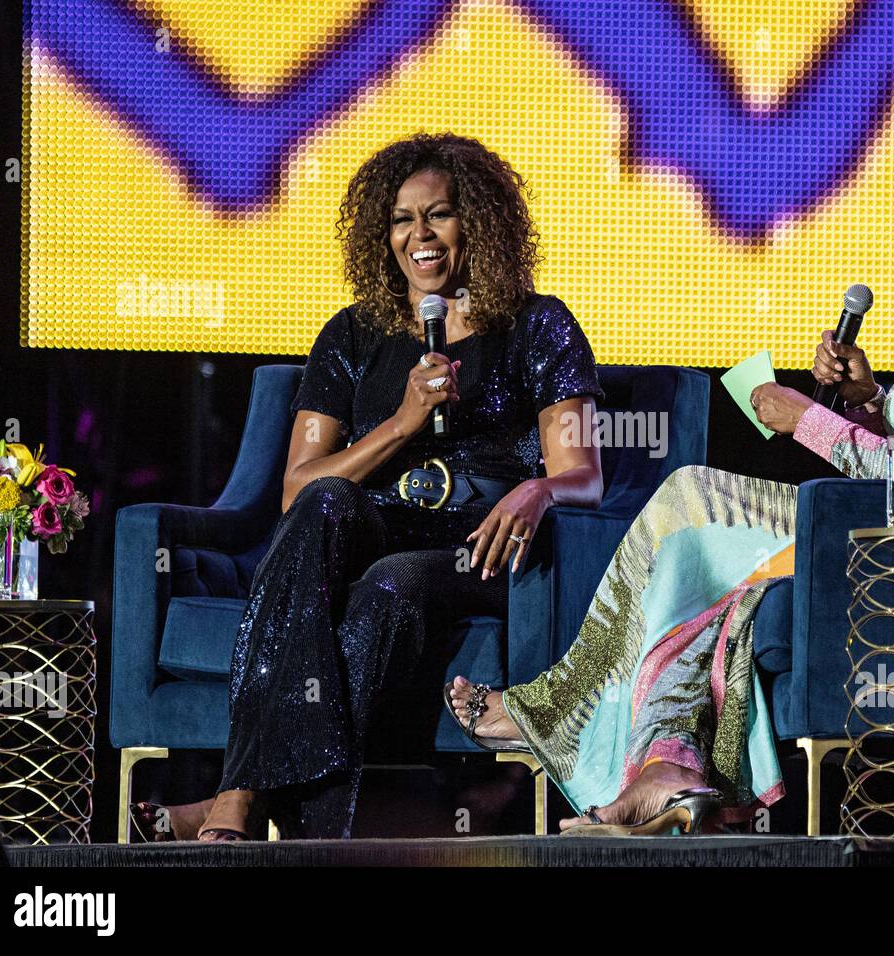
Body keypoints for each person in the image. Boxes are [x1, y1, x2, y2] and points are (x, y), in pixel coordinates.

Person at [448, 132, 894, 834]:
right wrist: (869, 400)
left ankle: (554, 713)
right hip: (877, 531)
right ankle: (669, 768)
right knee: (690, 561)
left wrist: (809, 418)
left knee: (688, 497)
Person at [132, 132, 604, 841]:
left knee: (392, 584)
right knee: (328, 506)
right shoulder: (352, 336)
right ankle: (261, 798)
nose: (420, 236)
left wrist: (538, 491)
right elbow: (297, 492)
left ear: (476, 222)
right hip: (370, 529)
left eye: (439, 214)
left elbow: (585, 476)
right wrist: (403, 422)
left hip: (476, 549)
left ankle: (265, 806)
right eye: (401, 220)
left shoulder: (538, 326)